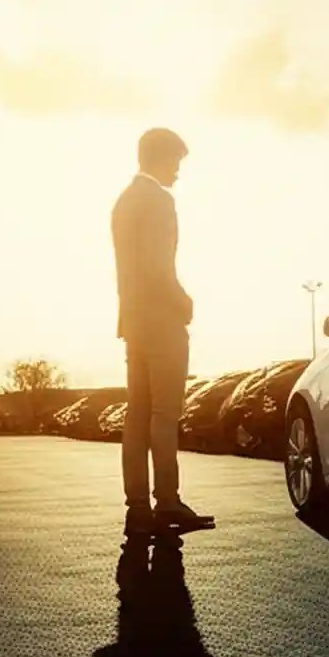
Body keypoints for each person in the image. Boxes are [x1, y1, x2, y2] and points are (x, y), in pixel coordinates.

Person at [112, 127, 214, 535]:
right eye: (176, 161)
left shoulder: (124, 200)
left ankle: (138, 508)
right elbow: (158, 266)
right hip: (162, 322)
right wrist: (183, 302)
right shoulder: (158, 200)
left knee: (137, 415)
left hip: (134, 324)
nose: (178, 171)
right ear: (159, 157)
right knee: (165, 414)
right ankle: (167, 502)